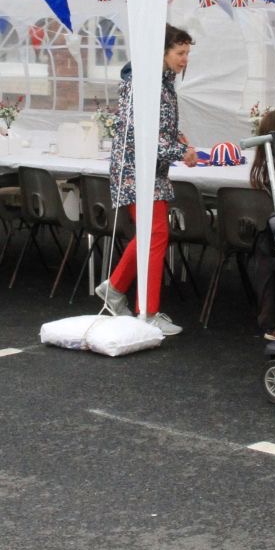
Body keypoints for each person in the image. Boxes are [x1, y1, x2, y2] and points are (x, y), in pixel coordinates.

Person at [95, 25, 197, 336]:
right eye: (180, 53)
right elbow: (142, 136)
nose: (184, 60)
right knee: (155, 236)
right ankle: (147, 311)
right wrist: (182, 150)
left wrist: (174, 138)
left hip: (144, 171)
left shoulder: (157, 82)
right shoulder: (147, 83)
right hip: (138, 172)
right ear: (162, 53)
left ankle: (115, 290)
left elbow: (153, 129)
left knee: (151, 235)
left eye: (187, 54)